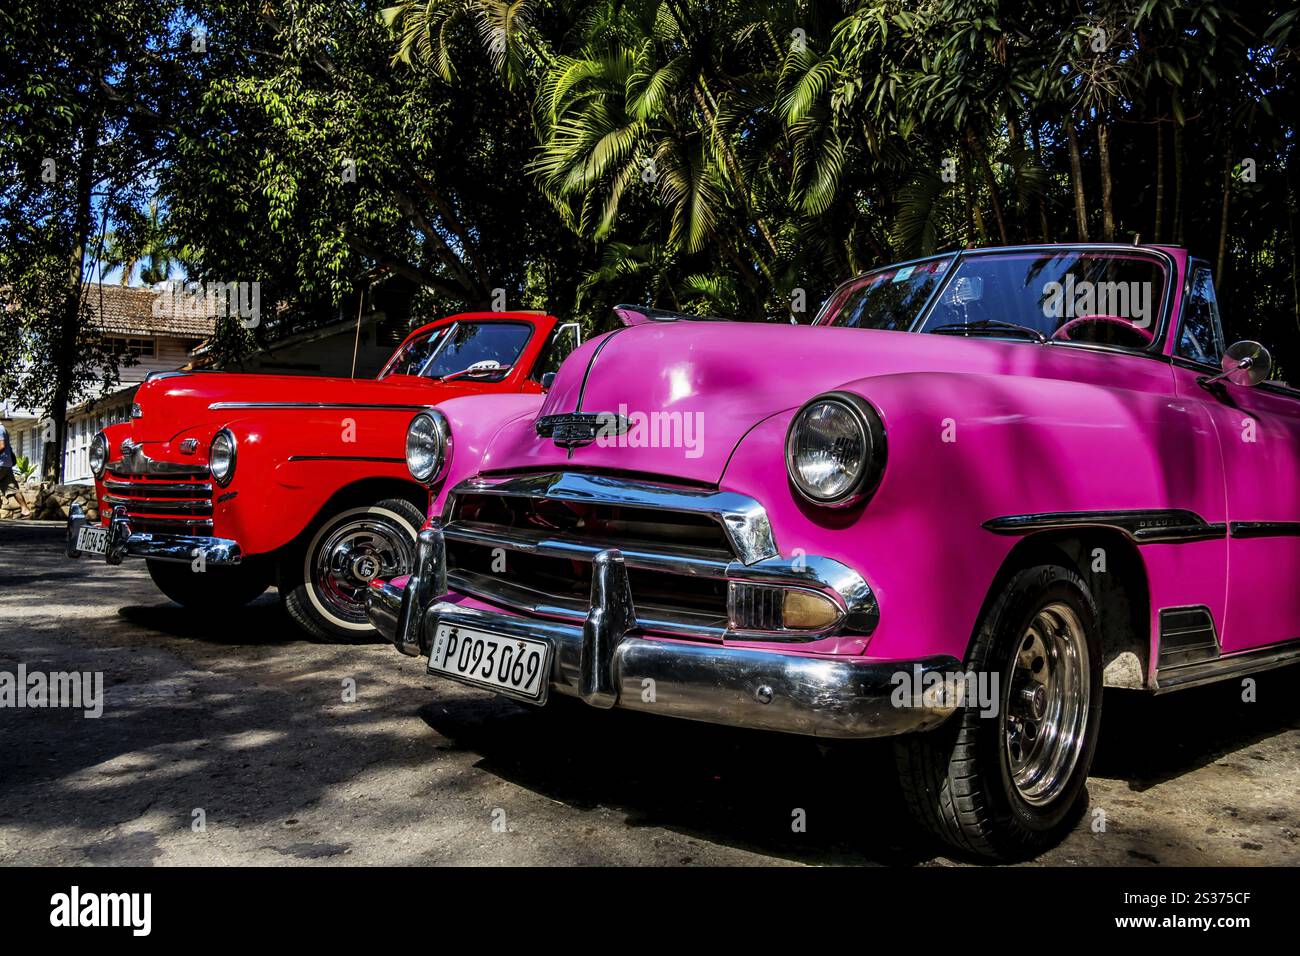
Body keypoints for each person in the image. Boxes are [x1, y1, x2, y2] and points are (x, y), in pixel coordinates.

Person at [0, 420, 33, 518]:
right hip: (6, 464)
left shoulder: (0, 429)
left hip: (1, 464)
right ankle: (25, 510)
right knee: (13, 489)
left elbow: (1, 446)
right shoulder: (3, 429)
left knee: (12, 488)